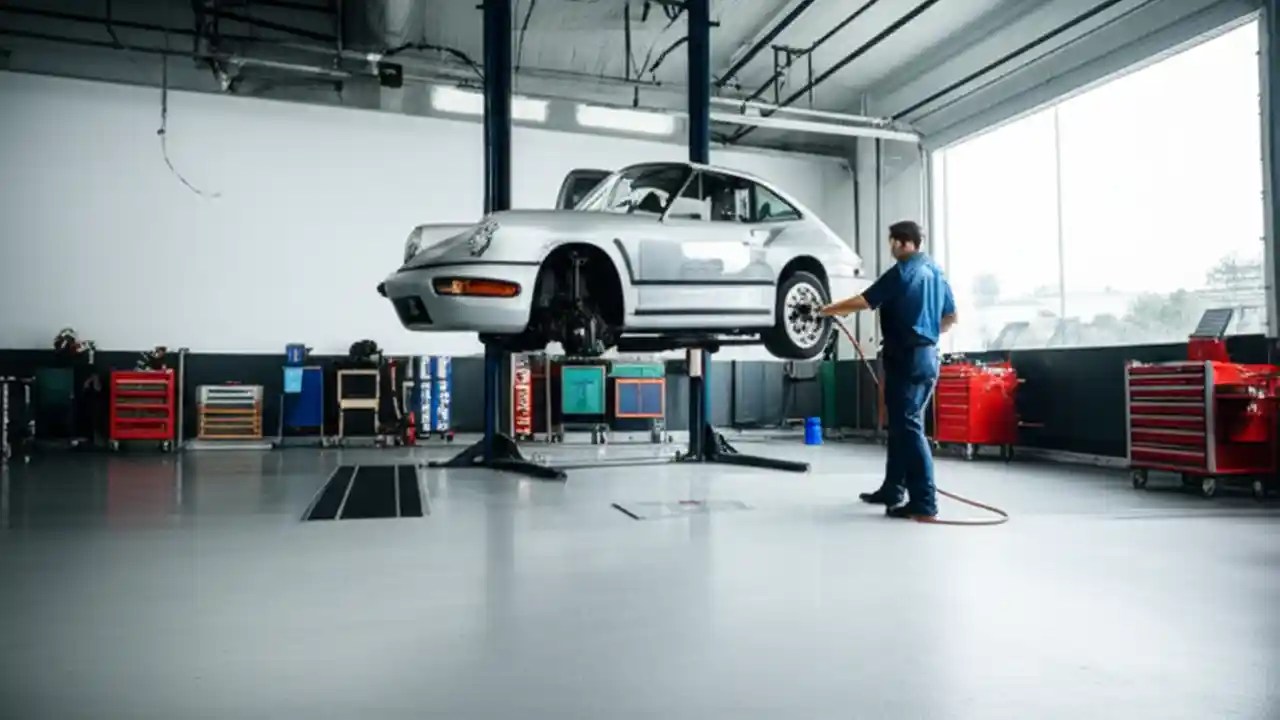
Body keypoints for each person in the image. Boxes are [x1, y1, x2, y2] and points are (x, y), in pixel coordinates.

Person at [819, 220, 957, 519]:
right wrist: (927, 335)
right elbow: (950, 317)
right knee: (902, 423)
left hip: (906, 357)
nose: (891, 247)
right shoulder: (936, 272)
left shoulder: (902, 273)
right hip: (927, 356)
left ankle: (924, 502)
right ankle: (893, 488)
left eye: (894, 241)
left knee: (908, 426)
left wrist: (825, 310)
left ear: (906, 243)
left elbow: (863, 300)